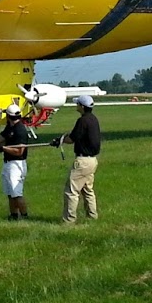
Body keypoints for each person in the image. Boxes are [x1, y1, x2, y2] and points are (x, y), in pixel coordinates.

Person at [56, 94, 101, 223]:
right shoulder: (93, 119)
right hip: (92, 160)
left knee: (71, 191)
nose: (76, 106)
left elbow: (72, 138)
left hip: (83, 161)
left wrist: (61, 140)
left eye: (77, 104)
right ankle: (92, 216)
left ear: (82, 106)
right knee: (87, 190)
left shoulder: (82, 121)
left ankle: (69, 220)